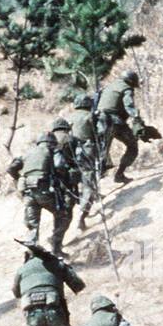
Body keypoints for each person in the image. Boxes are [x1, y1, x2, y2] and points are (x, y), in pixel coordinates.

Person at [8, 120, 77, 256]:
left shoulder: (27, 153)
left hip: (27, 193)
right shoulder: (53, 150)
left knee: (32, 226)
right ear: (51, 142)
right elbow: (60, 166)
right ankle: (56, 248)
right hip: (45, 191)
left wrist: (19, 179)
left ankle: (31, 255)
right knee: (64, 215)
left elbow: (11, 168)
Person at [97, 70, 150, 184]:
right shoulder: (126, 88)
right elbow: (129, 106)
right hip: (114, 122)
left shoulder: (110, 86)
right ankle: (119, 175)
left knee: (102, 152)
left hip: (100, 123)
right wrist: (137, 118)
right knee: (133, 146)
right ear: (131, 82)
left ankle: (94, 187)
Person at [69, 94, 106, 228]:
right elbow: (101, 132)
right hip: (87, 150)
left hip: (71, 153)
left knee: (83, 178)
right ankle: (82, 216)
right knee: (88, 181)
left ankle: (94, 195)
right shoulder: (89, 116)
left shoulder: (69, 117)